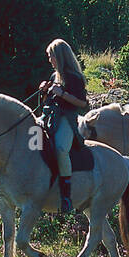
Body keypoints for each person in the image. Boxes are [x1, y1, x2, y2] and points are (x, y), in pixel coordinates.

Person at [37, 38, 89, 213]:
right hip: (49, 116)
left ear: (59, 56)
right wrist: (45, 91)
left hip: (66, 118)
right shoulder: (54, 76)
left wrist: (62, 93)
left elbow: (82, 103)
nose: (49, 60)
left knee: (60, 148)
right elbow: (48, 101)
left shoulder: (74, 78)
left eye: (50, 56)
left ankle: (66, 195)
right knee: (31, 136)